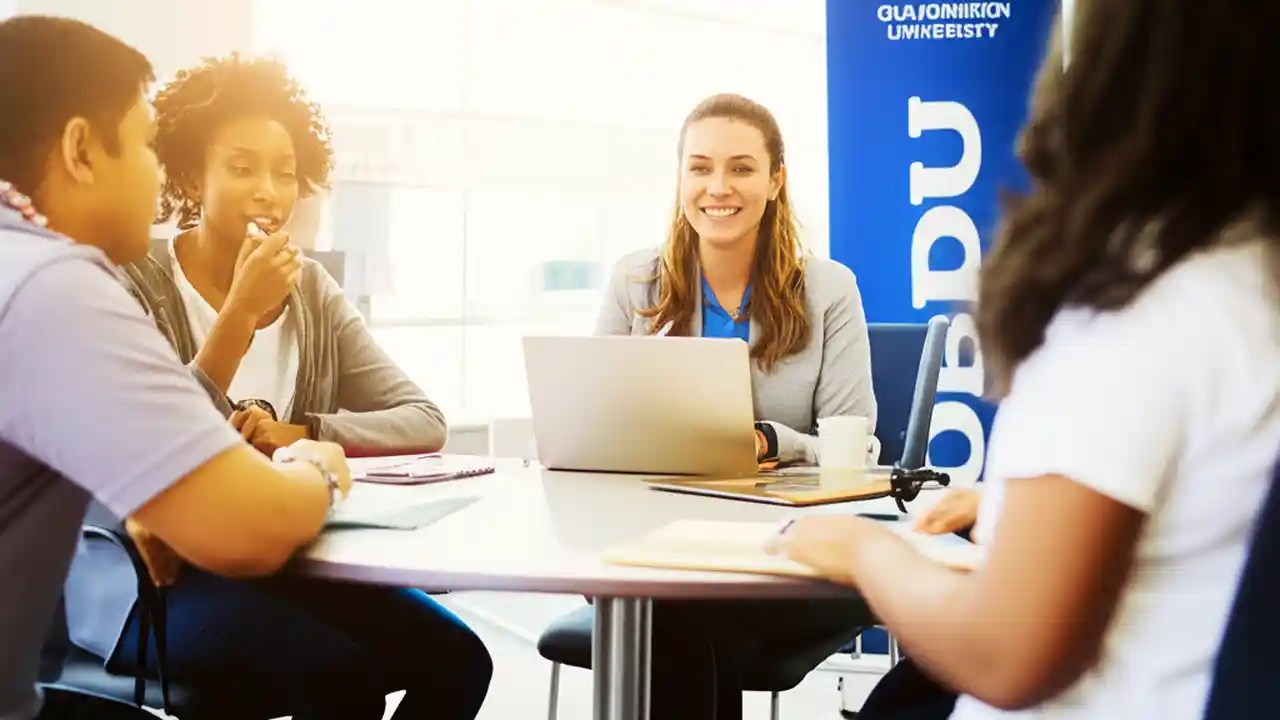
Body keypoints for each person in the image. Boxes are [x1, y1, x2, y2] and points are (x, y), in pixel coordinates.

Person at [775, 2, 1280, 718]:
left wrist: (864, 552)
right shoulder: (1252, 281)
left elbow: (1005, 655)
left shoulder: (1139, 305)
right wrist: (1023, 505)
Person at [63, 54, 492, 719]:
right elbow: (152, 444)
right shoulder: (130, 278)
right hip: (151, 579)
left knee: (460, 658)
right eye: (240, 168)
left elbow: (421, 418)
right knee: (338, 678)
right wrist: (237, 314)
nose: (269, 190)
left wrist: (307, 433)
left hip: (277, 564)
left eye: (285, 173)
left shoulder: (311, 291)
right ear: (189, 175)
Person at [0, 15, 352, 720]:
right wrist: (322, 465)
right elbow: (250, 531)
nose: (160, 173)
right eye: (148, 146)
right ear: (80, 149)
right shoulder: (53, 287)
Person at [592, 93, 877, 718]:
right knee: (678, 615)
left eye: (742, 168)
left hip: (776, 546)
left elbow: (854, 450)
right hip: (649, 537)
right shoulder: (635, 282)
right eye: (700, 167)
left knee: (685, 626)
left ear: (776, 181)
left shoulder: (828, 290)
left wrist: (772, 441)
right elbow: (588, 419)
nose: (718, 187)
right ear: (680, 178)